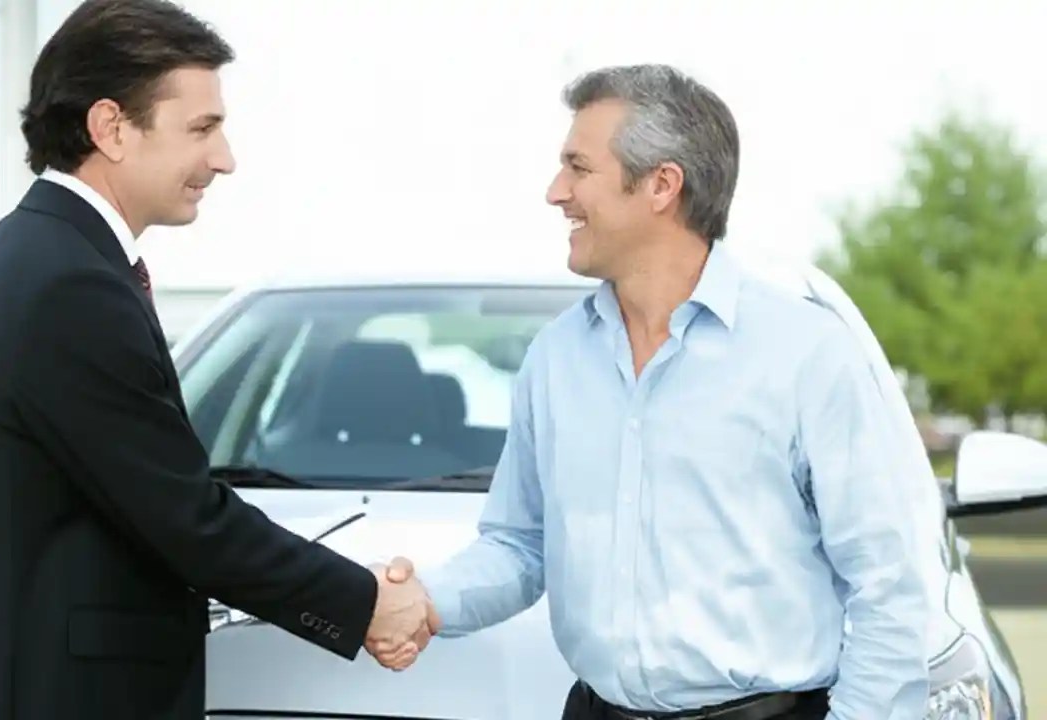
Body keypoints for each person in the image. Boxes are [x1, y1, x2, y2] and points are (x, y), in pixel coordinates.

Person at [0, 1, 434, 718]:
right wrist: (364, 603)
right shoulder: (67, 286)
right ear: (111, 127)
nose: (225, 158)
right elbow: (185, 517)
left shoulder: (22, 260)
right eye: (202, 128)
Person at [377, 64, 930, 720]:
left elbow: (887, 588)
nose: (557, 193)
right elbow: (522, 545)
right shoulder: (556, 360)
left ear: (662, 185)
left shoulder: (806, 354)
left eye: (578, 168)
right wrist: (425, 600)